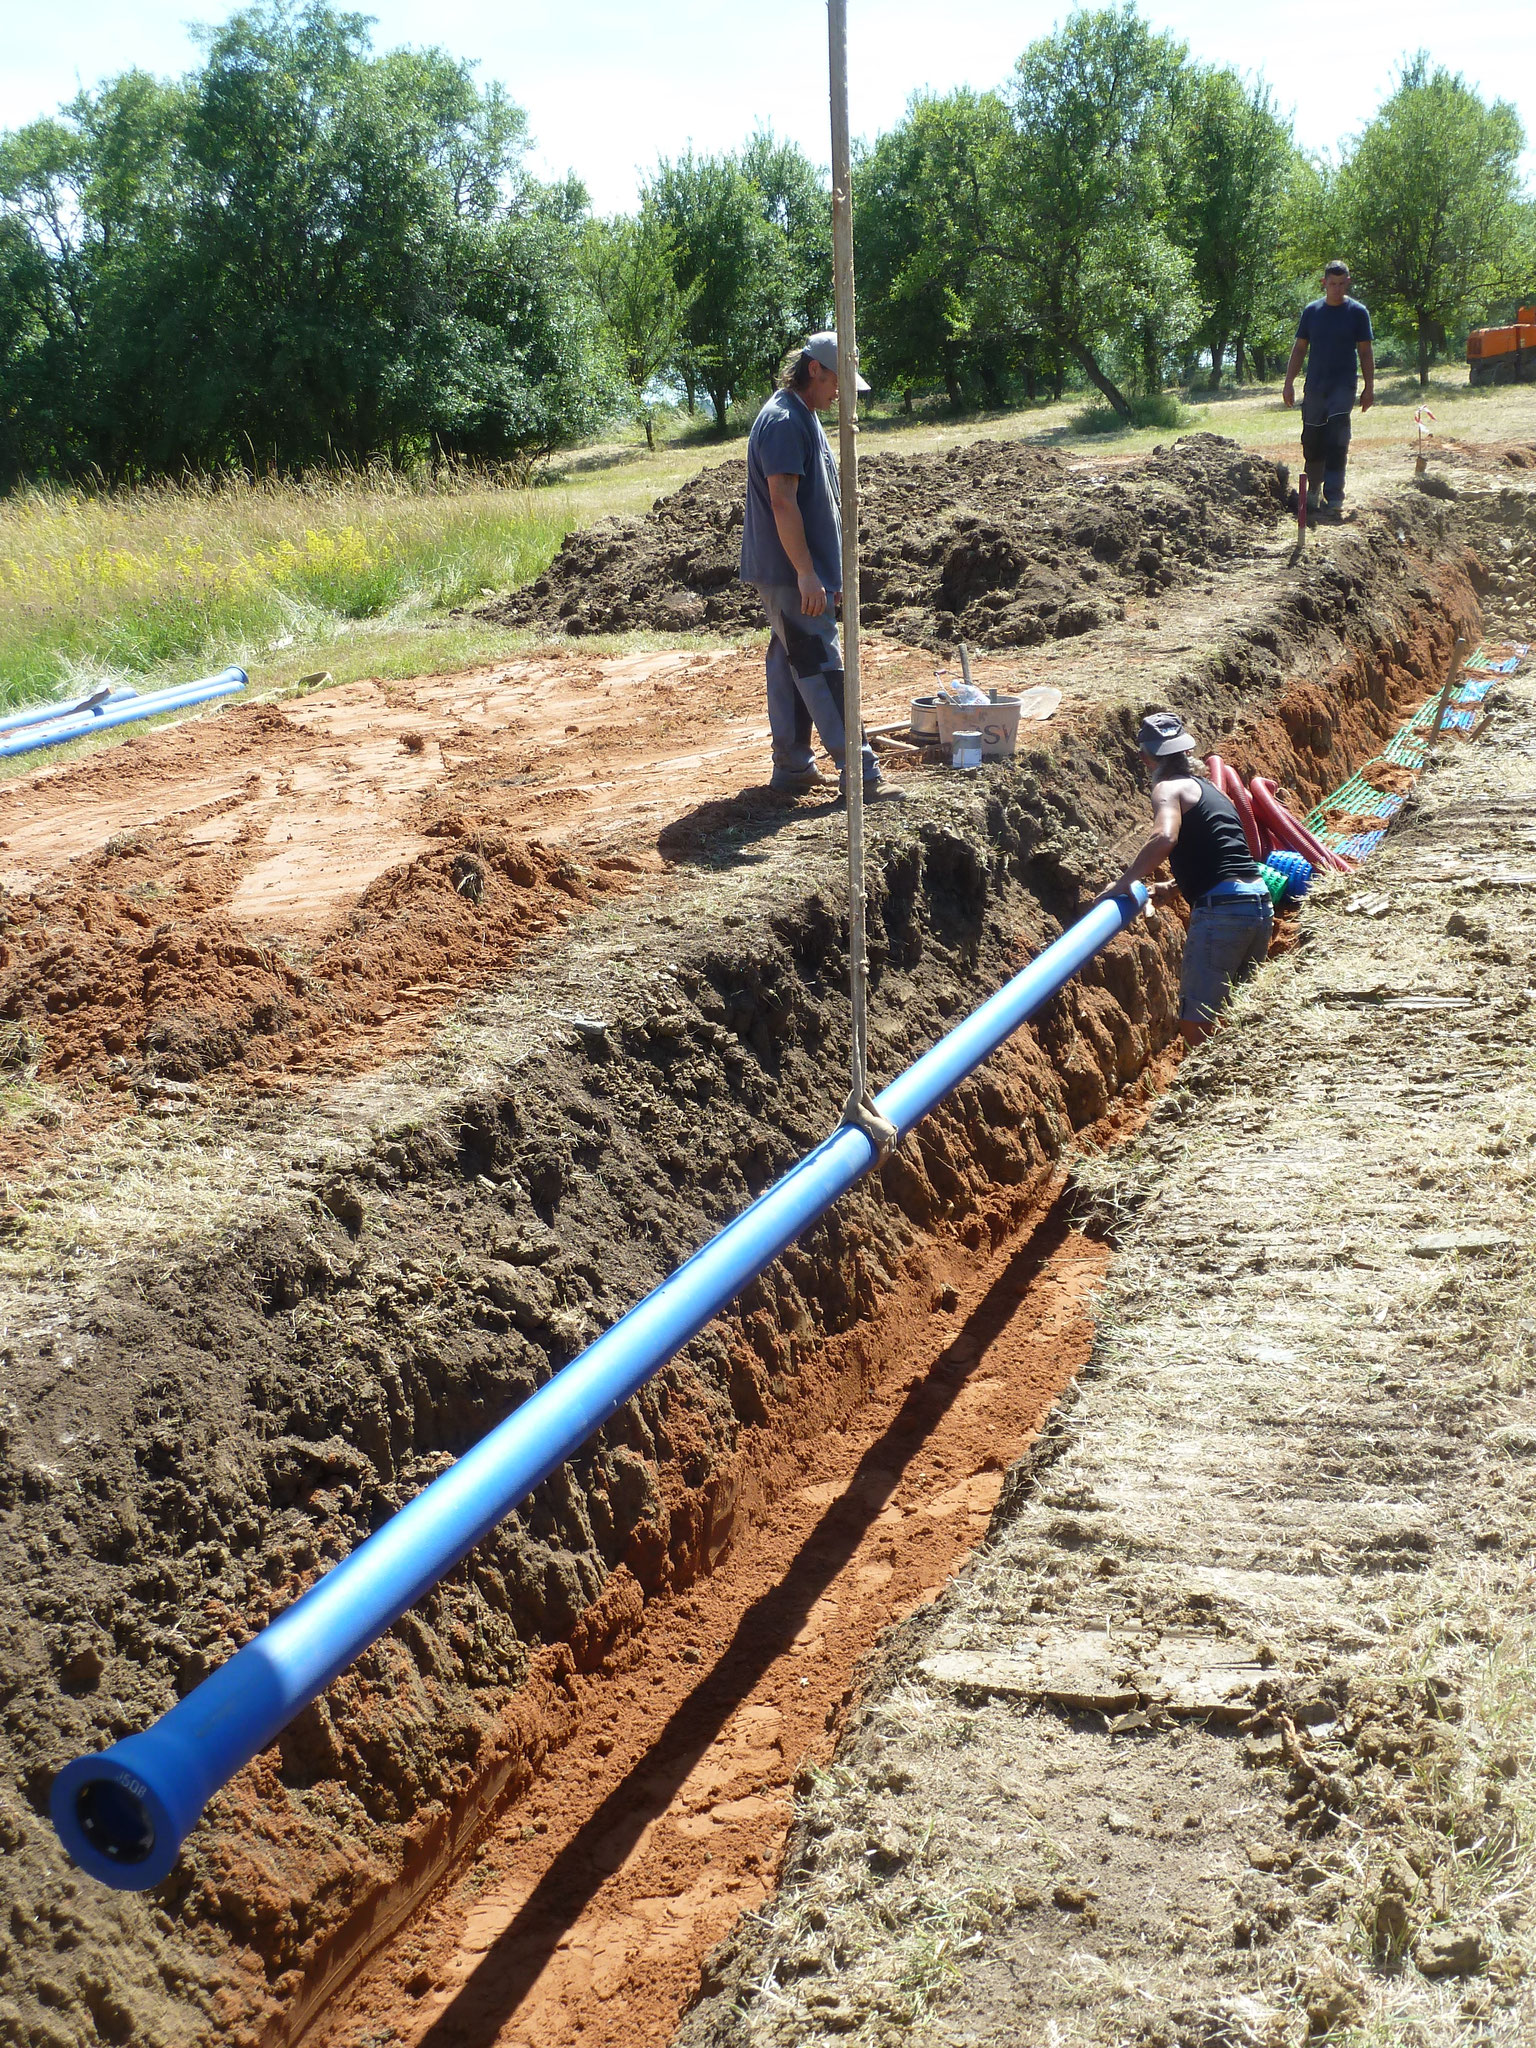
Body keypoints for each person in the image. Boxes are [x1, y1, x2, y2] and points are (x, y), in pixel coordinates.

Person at [739, 331, 891, 799]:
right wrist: (807, 572)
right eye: (837, 380)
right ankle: (860, 771)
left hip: (800, 570)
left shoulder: (804, 417)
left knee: (790, 663)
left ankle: (792, 767)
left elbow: (818, 501)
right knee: (819, 662)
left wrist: (827, 571)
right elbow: (783, 503)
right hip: (789, 572)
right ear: (814, 370)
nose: (842, 391)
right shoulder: (784, 421)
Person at [1100, 710, 1272, 1045]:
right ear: (1187, 751)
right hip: (1259, 904)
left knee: (1198, 1021)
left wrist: (1123, 883)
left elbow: (1164, 838)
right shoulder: (1210, 790)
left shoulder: (1168, 788)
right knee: (1243, 1011)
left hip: (1224, 913)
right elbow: (1233, 854)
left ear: (1146, 758)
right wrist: (1177, 887)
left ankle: (1214, 1091)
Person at [1283, 261, 1375, 522]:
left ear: (1347, 282)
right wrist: (1288, 382)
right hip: (1315, 385)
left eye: (1341, 283)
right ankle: (1313, 487)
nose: (1336, 289)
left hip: (1343, 386)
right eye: (1331, 284)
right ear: (1324, 283)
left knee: (1337, 439)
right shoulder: (1312, 312)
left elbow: (1365, 351)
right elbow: (1300, 348)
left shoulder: (1358, 313)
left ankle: (1334, 496)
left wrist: (1369, 387)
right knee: (1312, 438)